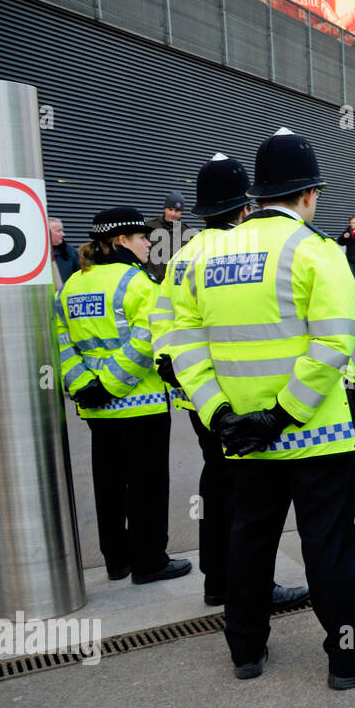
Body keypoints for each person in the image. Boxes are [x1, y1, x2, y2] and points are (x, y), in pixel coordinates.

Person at [169, 126, 355, 688]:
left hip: (242, 438)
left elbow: (185, 347)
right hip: (315, 434)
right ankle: (350, 656)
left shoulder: (200, 255)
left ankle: (246, 650)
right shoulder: (315, 250)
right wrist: (282, 415)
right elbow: (331, 347)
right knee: (329, 545)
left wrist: (220, 416)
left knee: (249, 539)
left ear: (255, 197)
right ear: (308, 195)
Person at [151, 153, 309, 612]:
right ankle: (251, 588)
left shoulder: (183, 258)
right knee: (248, 500)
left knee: (217, 484)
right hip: (245, 397)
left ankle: (217, 580)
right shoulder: (246, 249)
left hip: (200, 399)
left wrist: (178, 374)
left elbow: (164, 327)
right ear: (245, 206)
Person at [55, 208, 191, 585]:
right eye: (142, 237)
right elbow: (146, 341)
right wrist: (111, 385)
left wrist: (87, 386)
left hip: (96, 410)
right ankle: (149, 562)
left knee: (109, 484)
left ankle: (117, 560)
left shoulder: (73, 283)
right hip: (140, 405)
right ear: (121, 241)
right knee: (146, 485)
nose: (149, 242)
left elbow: (63, 341)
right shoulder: (138, 283)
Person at [145, 191, 198, 283]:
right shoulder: (149, 227)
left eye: (177, 211)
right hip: (152, 283)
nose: (173, 213)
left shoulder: (188, 233)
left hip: (174, 285)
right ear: (165, 209)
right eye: (170, 209)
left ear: (181, 212)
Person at [50, 217, 79, 287]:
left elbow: (80, 274)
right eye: (58, 231)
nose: (63, 234)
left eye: (62, 230)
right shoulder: (38, 253)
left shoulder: (69, 250)